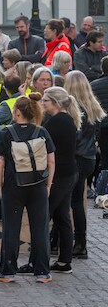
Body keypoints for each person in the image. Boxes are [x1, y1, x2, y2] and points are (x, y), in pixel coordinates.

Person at [0, 93, 55, 283]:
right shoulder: (41, 132)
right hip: (37, 186)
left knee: (11, 228)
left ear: (17, 112)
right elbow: (51, 161)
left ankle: (8, 272)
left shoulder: (6, 132)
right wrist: (48, 184)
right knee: (40, 229)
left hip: (14, 186)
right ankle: (42, 273)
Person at [64, 71, 104, 259]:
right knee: (76, 200)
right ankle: (80, 242)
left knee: (73, 201)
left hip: (77, 157)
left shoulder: (74, 106)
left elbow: (74, 136)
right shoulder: (92, 105)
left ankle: (78, 243)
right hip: (89, 158)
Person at [40, 86, 80, 274]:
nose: (43, 103)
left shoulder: (58, 121)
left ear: (55, 103)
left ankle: (38, 261)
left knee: (45, 215)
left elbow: (41, 143)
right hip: (67, 173)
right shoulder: (65, 119)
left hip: (60, 176)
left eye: (46, 101)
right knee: (62, 217)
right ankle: (64, 261)